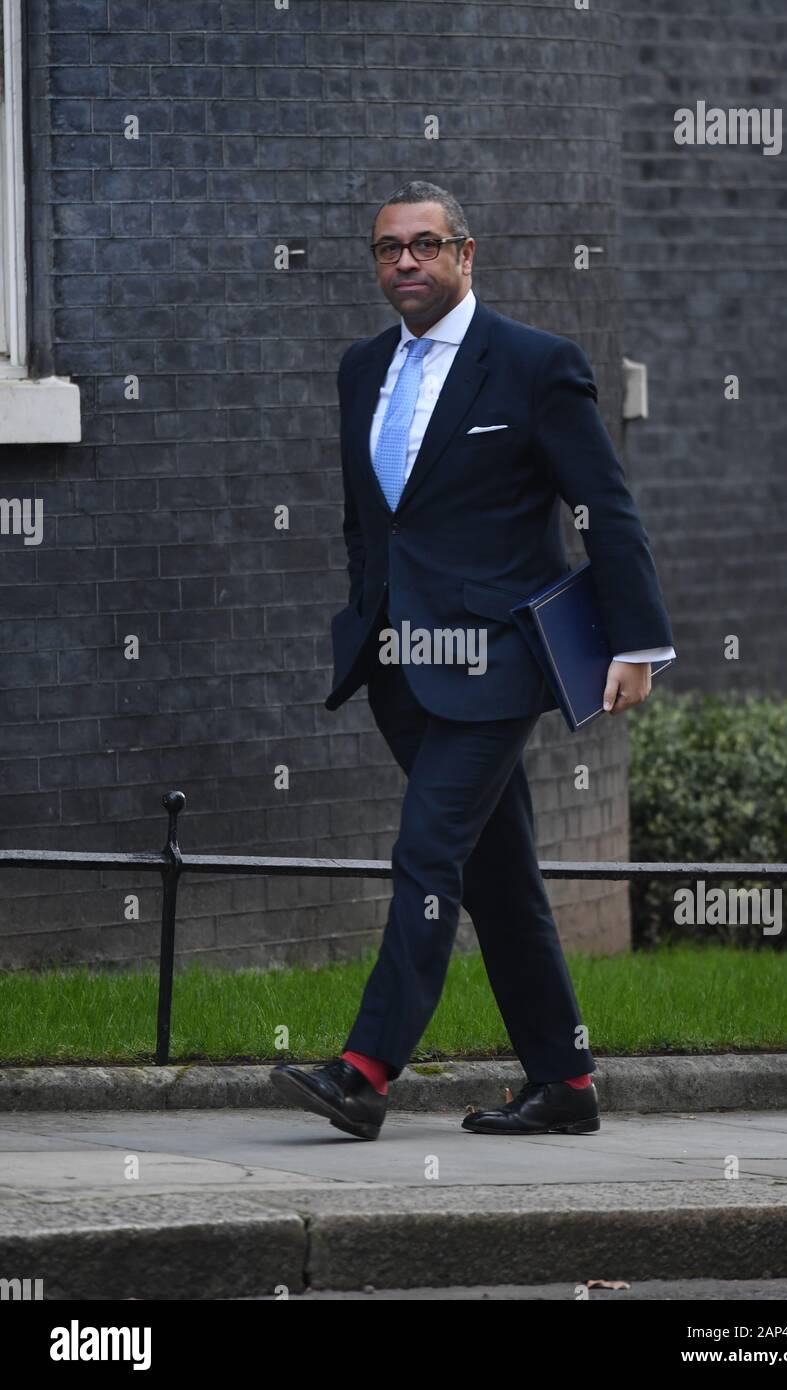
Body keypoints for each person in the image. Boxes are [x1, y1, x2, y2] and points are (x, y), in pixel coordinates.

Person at [271, 180, 675, 1141]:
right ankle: (565, 1084)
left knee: (428, 851)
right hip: (400, 666)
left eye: (423, 244)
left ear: (466, 254)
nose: (403, 262)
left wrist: (637, 642)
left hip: (496, 665)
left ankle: (366, 1071)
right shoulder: (360, 368)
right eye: (386, 249)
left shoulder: (537, 365)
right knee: (500, 876)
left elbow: (604, 508)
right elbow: (368, 522)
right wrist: (367, 618)